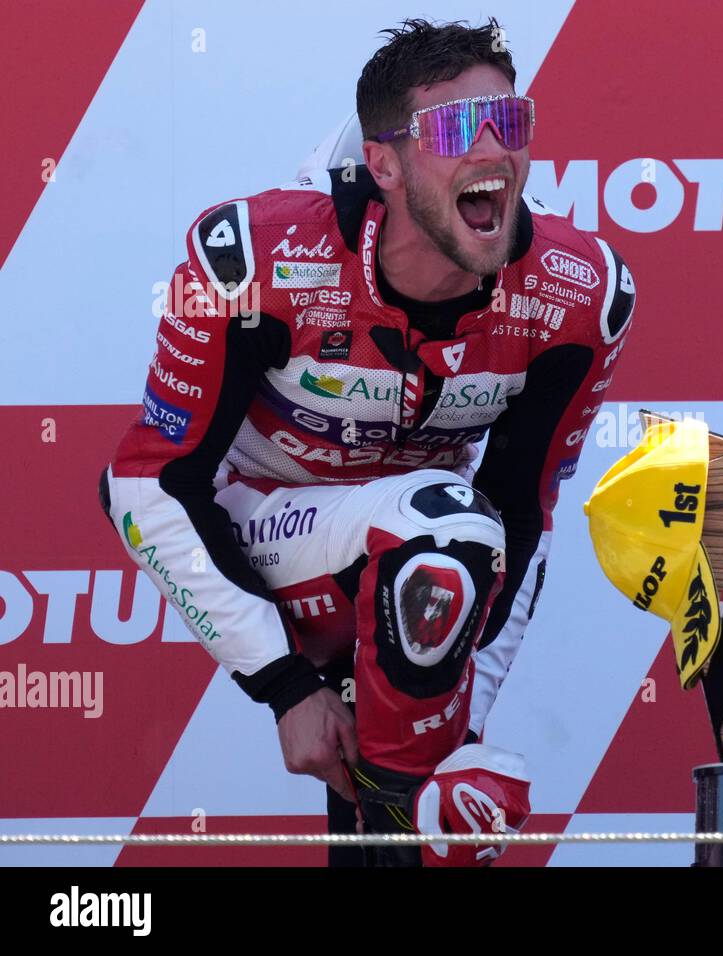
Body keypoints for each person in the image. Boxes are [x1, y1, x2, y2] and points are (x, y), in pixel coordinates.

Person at [97, 18, 635, 866]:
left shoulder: (583, 293)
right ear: (383, 164)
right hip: (265, 526)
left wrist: (458, 718)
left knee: (449, 553)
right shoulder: (254, 258)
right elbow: (143, 488)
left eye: (513, 122)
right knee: (442, 522)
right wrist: (283, 686)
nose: (494, 150)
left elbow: (523, 516)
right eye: (458, 129)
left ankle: (399, 828)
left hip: (436, 548)